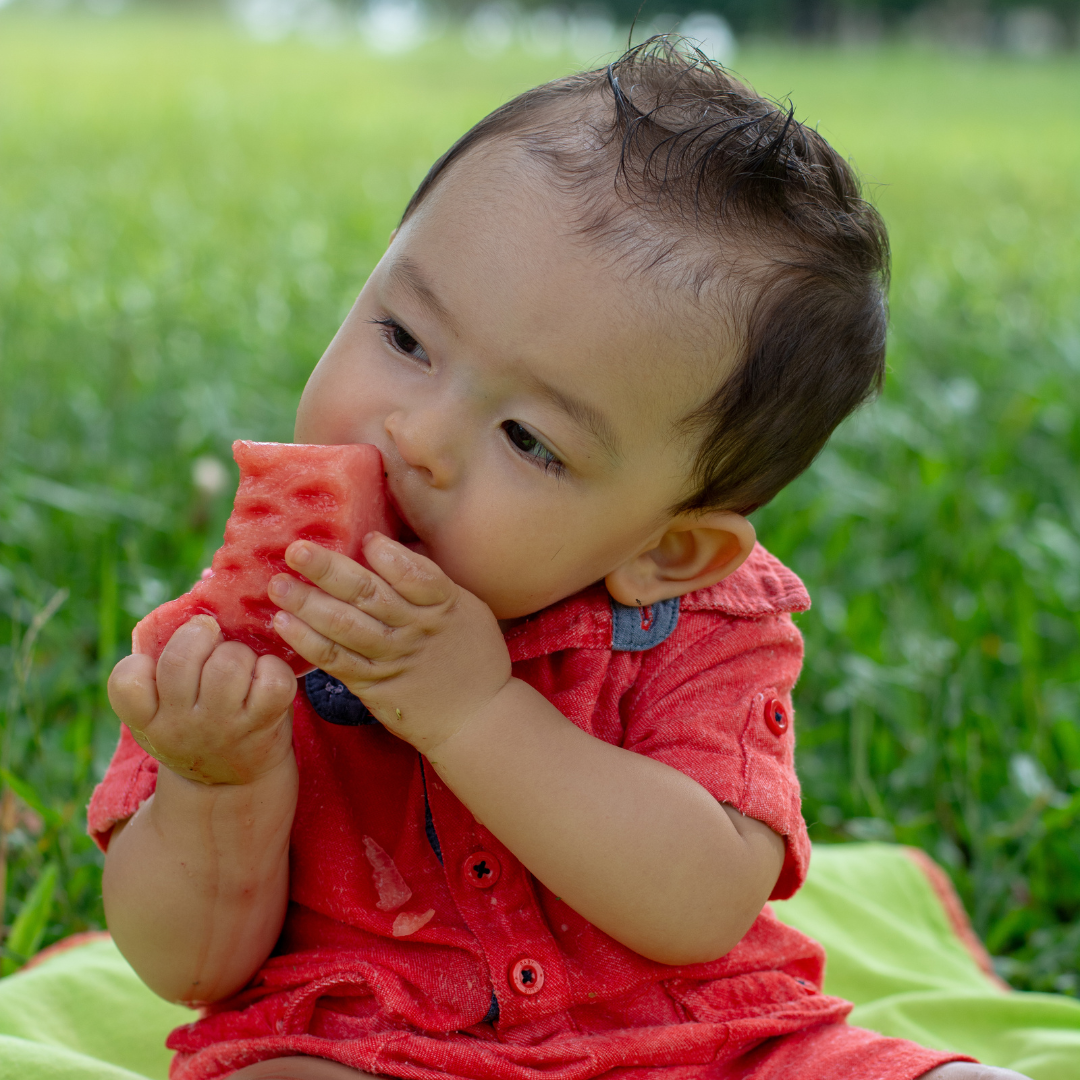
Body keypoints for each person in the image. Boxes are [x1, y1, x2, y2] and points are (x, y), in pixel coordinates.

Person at [92, 40, 1030, 1080]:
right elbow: (190, 969)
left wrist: (474, 712)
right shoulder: (244, 643)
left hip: (698, 1046)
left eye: (530, 440)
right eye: (405, 338)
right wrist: (216, 791)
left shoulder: (706, 628)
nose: (420, 439)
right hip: (366, 1045)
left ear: (668, 549)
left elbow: (702, 905)